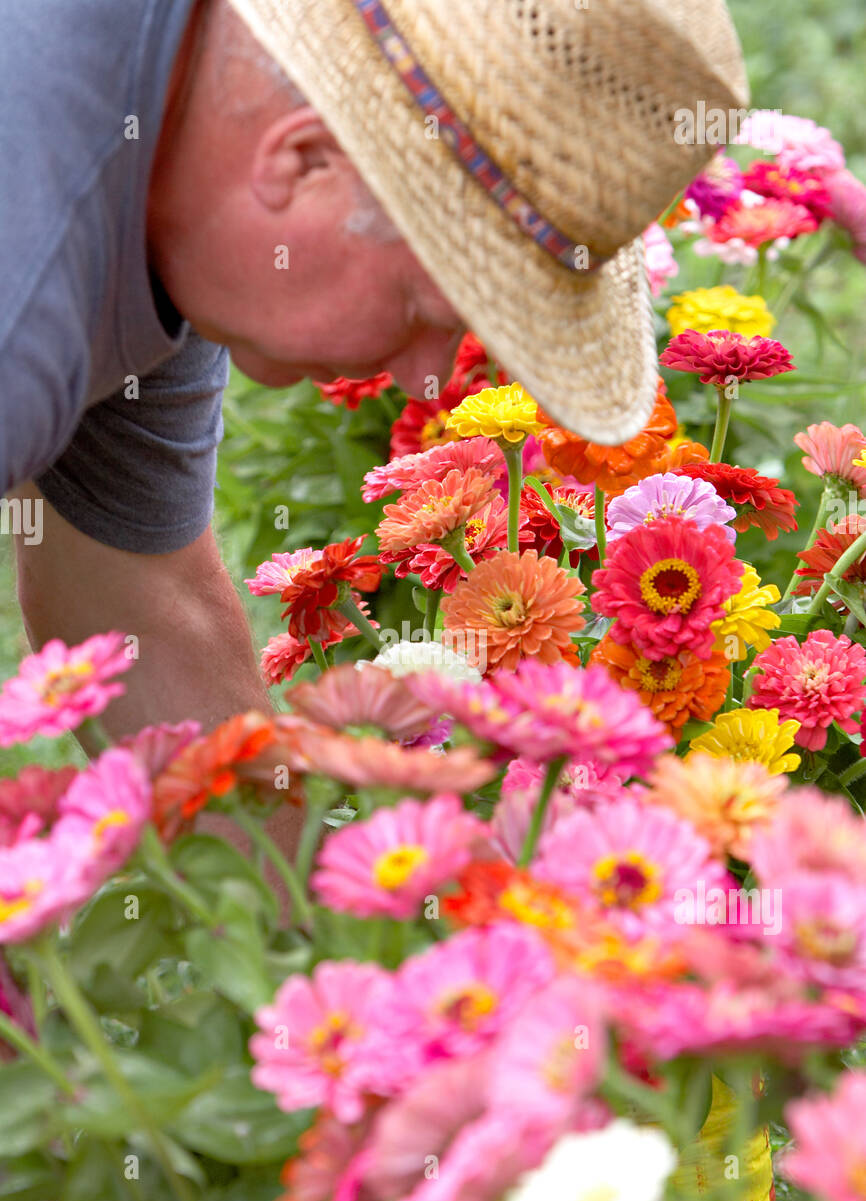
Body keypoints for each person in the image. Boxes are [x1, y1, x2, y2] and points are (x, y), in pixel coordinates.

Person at [2, 0, 748, 839]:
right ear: (302, 162)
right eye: (421, 303)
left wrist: (346, 939)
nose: (429, 379)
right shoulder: (24, 285)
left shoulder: (174, 158)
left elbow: (144, 602)